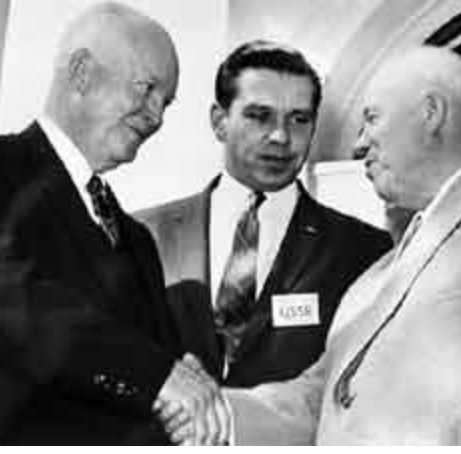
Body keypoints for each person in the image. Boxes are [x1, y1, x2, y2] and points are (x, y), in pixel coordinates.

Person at [181, 46, 461, 445]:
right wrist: (194, 403)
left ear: (430, 111)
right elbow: (315, 402)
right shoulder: (372, 277)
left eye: (372, 118)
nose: (359, 145)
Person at [0, 2, 229, 445]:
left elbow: (162, 372)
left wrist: (186, 376)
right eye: (147, 89)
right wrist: (156, 373)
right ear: (81, 73)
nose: (156, 117)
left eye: (166, 103)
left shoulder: (137, 239)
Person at [136, 41, 392, 390]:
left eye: (299, 120)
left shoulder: (365, 252)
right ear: (219, 122)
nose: (281, 136)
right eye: (259, 116)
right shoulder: (143, 234)